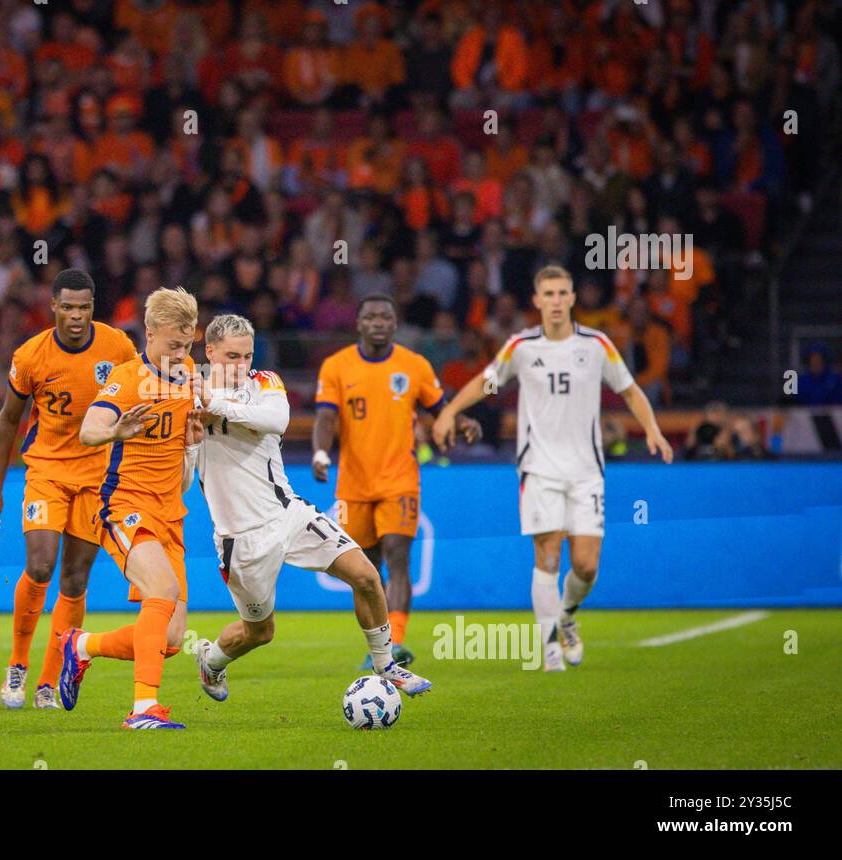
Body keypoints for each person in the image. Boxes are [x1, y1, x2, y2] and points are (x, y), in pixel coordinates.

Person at [434, 266, 673, 671]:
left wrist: (652, 428)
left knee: (586, 565)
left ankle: (567, 614)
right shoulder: (521, 347)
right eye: (550, 293)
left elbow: (630, 390)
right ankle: (548, 650)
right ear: (537, 300)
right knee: (546, 555)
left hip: (586, 472)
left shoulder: (597, 345)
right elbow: (488, 382)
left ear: (573, 299)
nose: (557, 300)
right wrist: (450, 411)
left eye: (564, 293)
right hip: (538, 468)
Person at [188, 314, 430, 702]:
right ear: (210, 351)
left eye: (247, 355)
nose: (241, 365)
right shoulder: (186, 399)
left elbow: (277, 419)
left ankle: (386, 664)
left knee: (365, 575)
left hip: (290, 515)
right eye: (232, 356)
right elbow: (185, 476)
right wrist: (191, 430)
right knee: (260, 632)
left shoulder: (264, 383)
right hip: (240, 537)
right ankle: (212, 661)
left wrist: (214, 402)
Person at [0, 268, 137, 709]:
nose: (75, 316)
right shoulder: (31, 356)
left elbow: (136, 400)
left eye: (83, 307)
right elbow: (9, 418)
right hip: (46, 472)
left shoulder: (117, 347)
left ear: (93, 308)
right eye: (67, 307)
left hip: (96, 477)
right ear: (53, 306)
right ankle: (17, 666)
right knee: (42, 565)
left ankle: (48, 682)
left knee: (74, 578)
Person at [58, 287, 200, 729]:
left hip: (171, 510)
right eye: (173, 344)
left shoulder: (189, 372)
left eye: (188, 344)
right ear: (150, 333)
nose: (181, 352)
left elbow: (183, 448)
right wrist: (116, 431)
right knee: (161, 591)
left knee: (170, 639)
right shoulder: (126, 378)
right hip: (126, 504)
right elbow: (88, 429)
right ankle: (142, 710)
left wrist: (192, 441)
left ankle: (81, 647)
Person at [312, 294, 481, 667]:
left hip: (399, 481)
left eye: (385, 316)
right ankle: (379, 648)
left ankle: (397, 645)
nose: (377, 322)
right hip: (352, 486)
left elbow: (441, 409)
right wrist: (321, 453)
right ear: (358, 323)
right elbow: (326, 418)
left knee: (398, 556)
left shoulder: (414, 365)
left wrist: (462, 421)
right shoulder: (337, 366)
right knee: (366, 572)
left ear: (394, 323)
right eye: (370, 316)